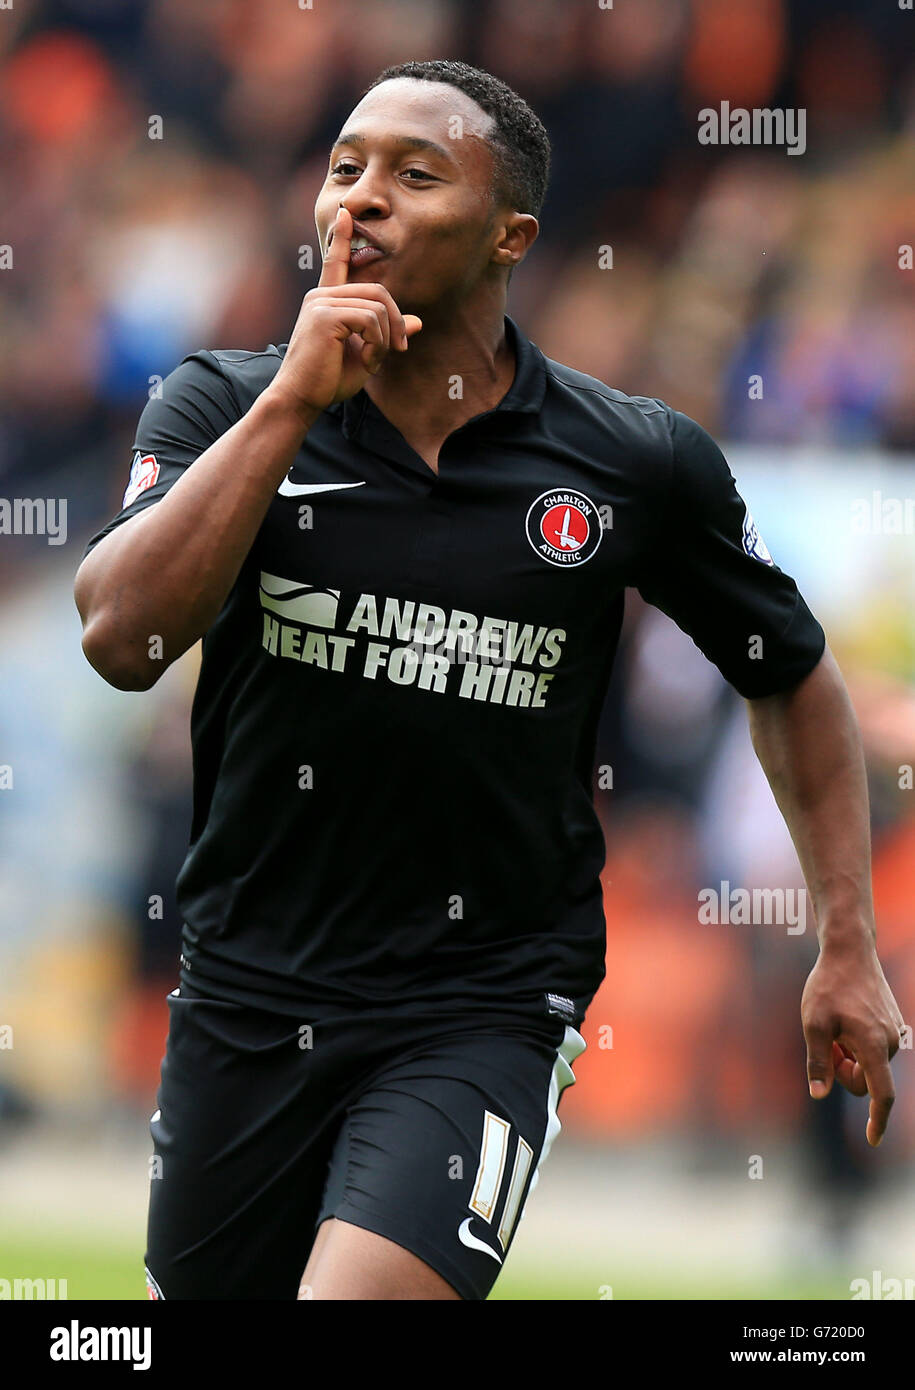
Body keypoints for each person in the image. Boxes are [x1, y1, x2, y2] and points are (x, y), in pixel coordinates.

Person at [73, 59, 905, 1301]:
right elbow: (121, 640)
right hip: (249, 991)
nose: (362, 199)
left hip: (482, 1005)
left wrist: (847, 937)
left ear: (511, 234)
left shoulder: (630, 461)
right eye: (345, 166)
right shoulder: (222, 406)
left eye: (416, 174)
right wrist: (292, 408)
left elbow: (789, 673)